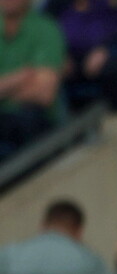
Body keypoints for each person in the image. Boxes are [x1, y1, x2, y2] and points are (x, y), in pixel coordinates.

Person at [0, 0, 66, 159]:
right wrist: (18, 78)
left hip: (31, 119)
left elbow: (43, 94)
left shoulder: (46, 28)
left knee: (28, 120)